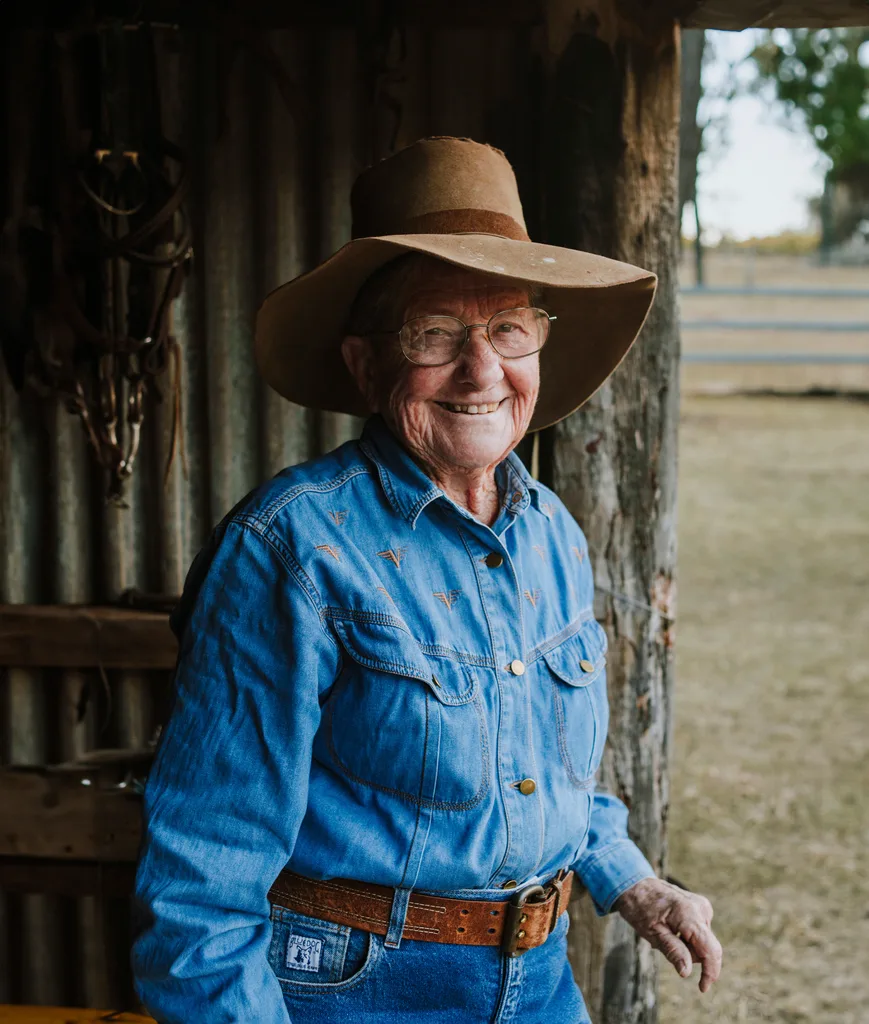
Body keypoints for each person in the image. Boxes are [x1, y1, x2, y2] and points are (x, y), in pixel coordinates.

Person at [132, 137, 722, 1023]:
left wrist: (630, 880)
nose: (481, 370)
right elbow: (201, 876)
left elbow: (541, 770)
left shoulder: (550, 533)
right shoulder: (289, 548)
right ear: (366, 364)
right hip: (354, 988)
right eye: (435, 332)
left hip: (539, 983)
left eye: (508, 328)